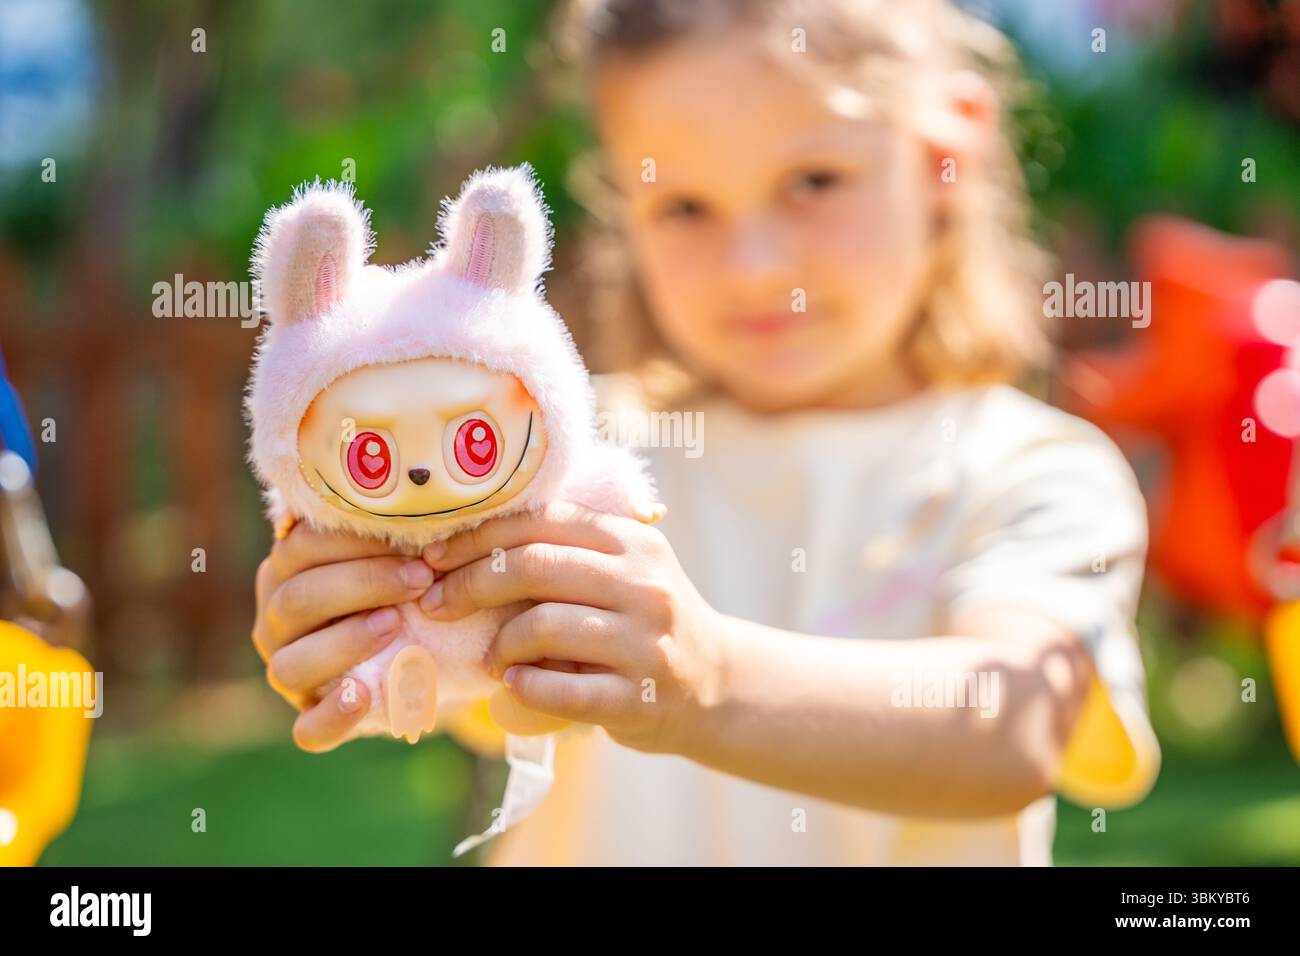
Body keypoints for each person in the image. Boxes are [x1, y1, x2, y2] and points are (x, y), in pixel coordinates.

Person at [250, 0, 1160, 865]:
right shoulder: (561, 457)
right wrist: (350, 622)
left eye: (813, 181)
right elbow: (456, 667)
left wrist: (710, 682)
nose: (754, 267)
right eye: (683, 206)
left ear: (945, 154)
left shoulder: (1033, 471)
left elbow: (1012, 728)